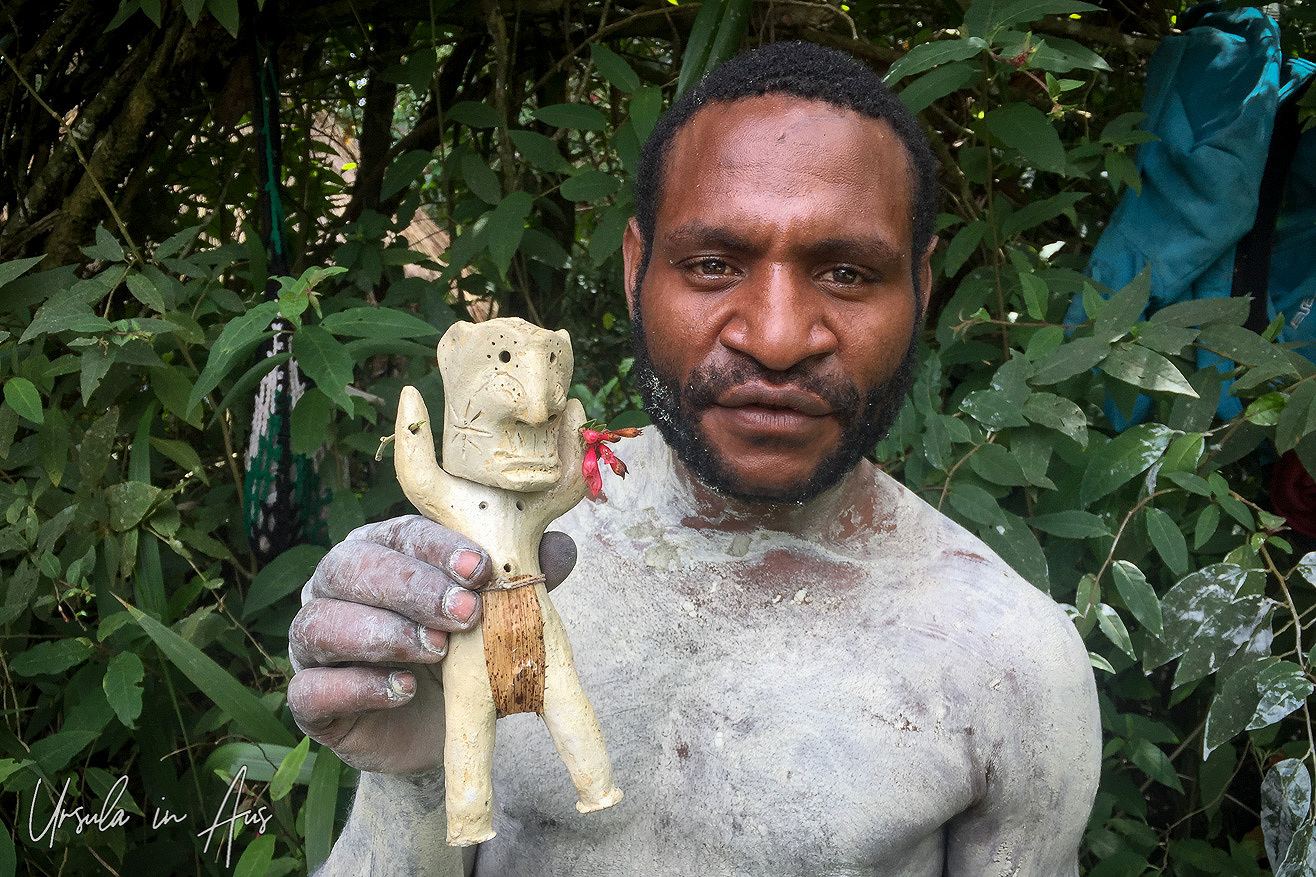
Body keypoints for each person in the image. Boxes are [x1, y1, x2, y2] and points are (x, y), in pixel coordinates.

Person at [288, 41, 1102, 876]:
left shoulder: (1010, 667)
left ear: (921, 291)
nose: (778, 339)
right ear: (639, 269)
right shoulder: (472, 575)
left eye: (848, 272)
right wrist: (413, 773)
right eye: (714, 265)